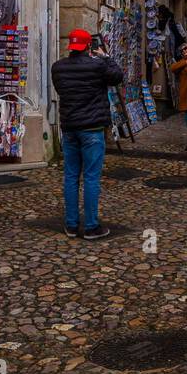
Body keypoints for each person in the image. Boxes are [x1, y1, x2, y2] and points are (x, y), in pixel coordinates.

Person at [51, 28, 123, 239]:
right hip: (91, 128)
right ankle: (91, 226)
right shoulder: (97, 66)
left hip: (70, 128)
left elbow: (61, 90)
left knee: (71, 177)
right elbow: (117, 76)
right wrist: (105, 56)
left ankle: (71, 225)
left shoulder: (58, 68)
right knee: (91, 177)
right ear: (87, 46)